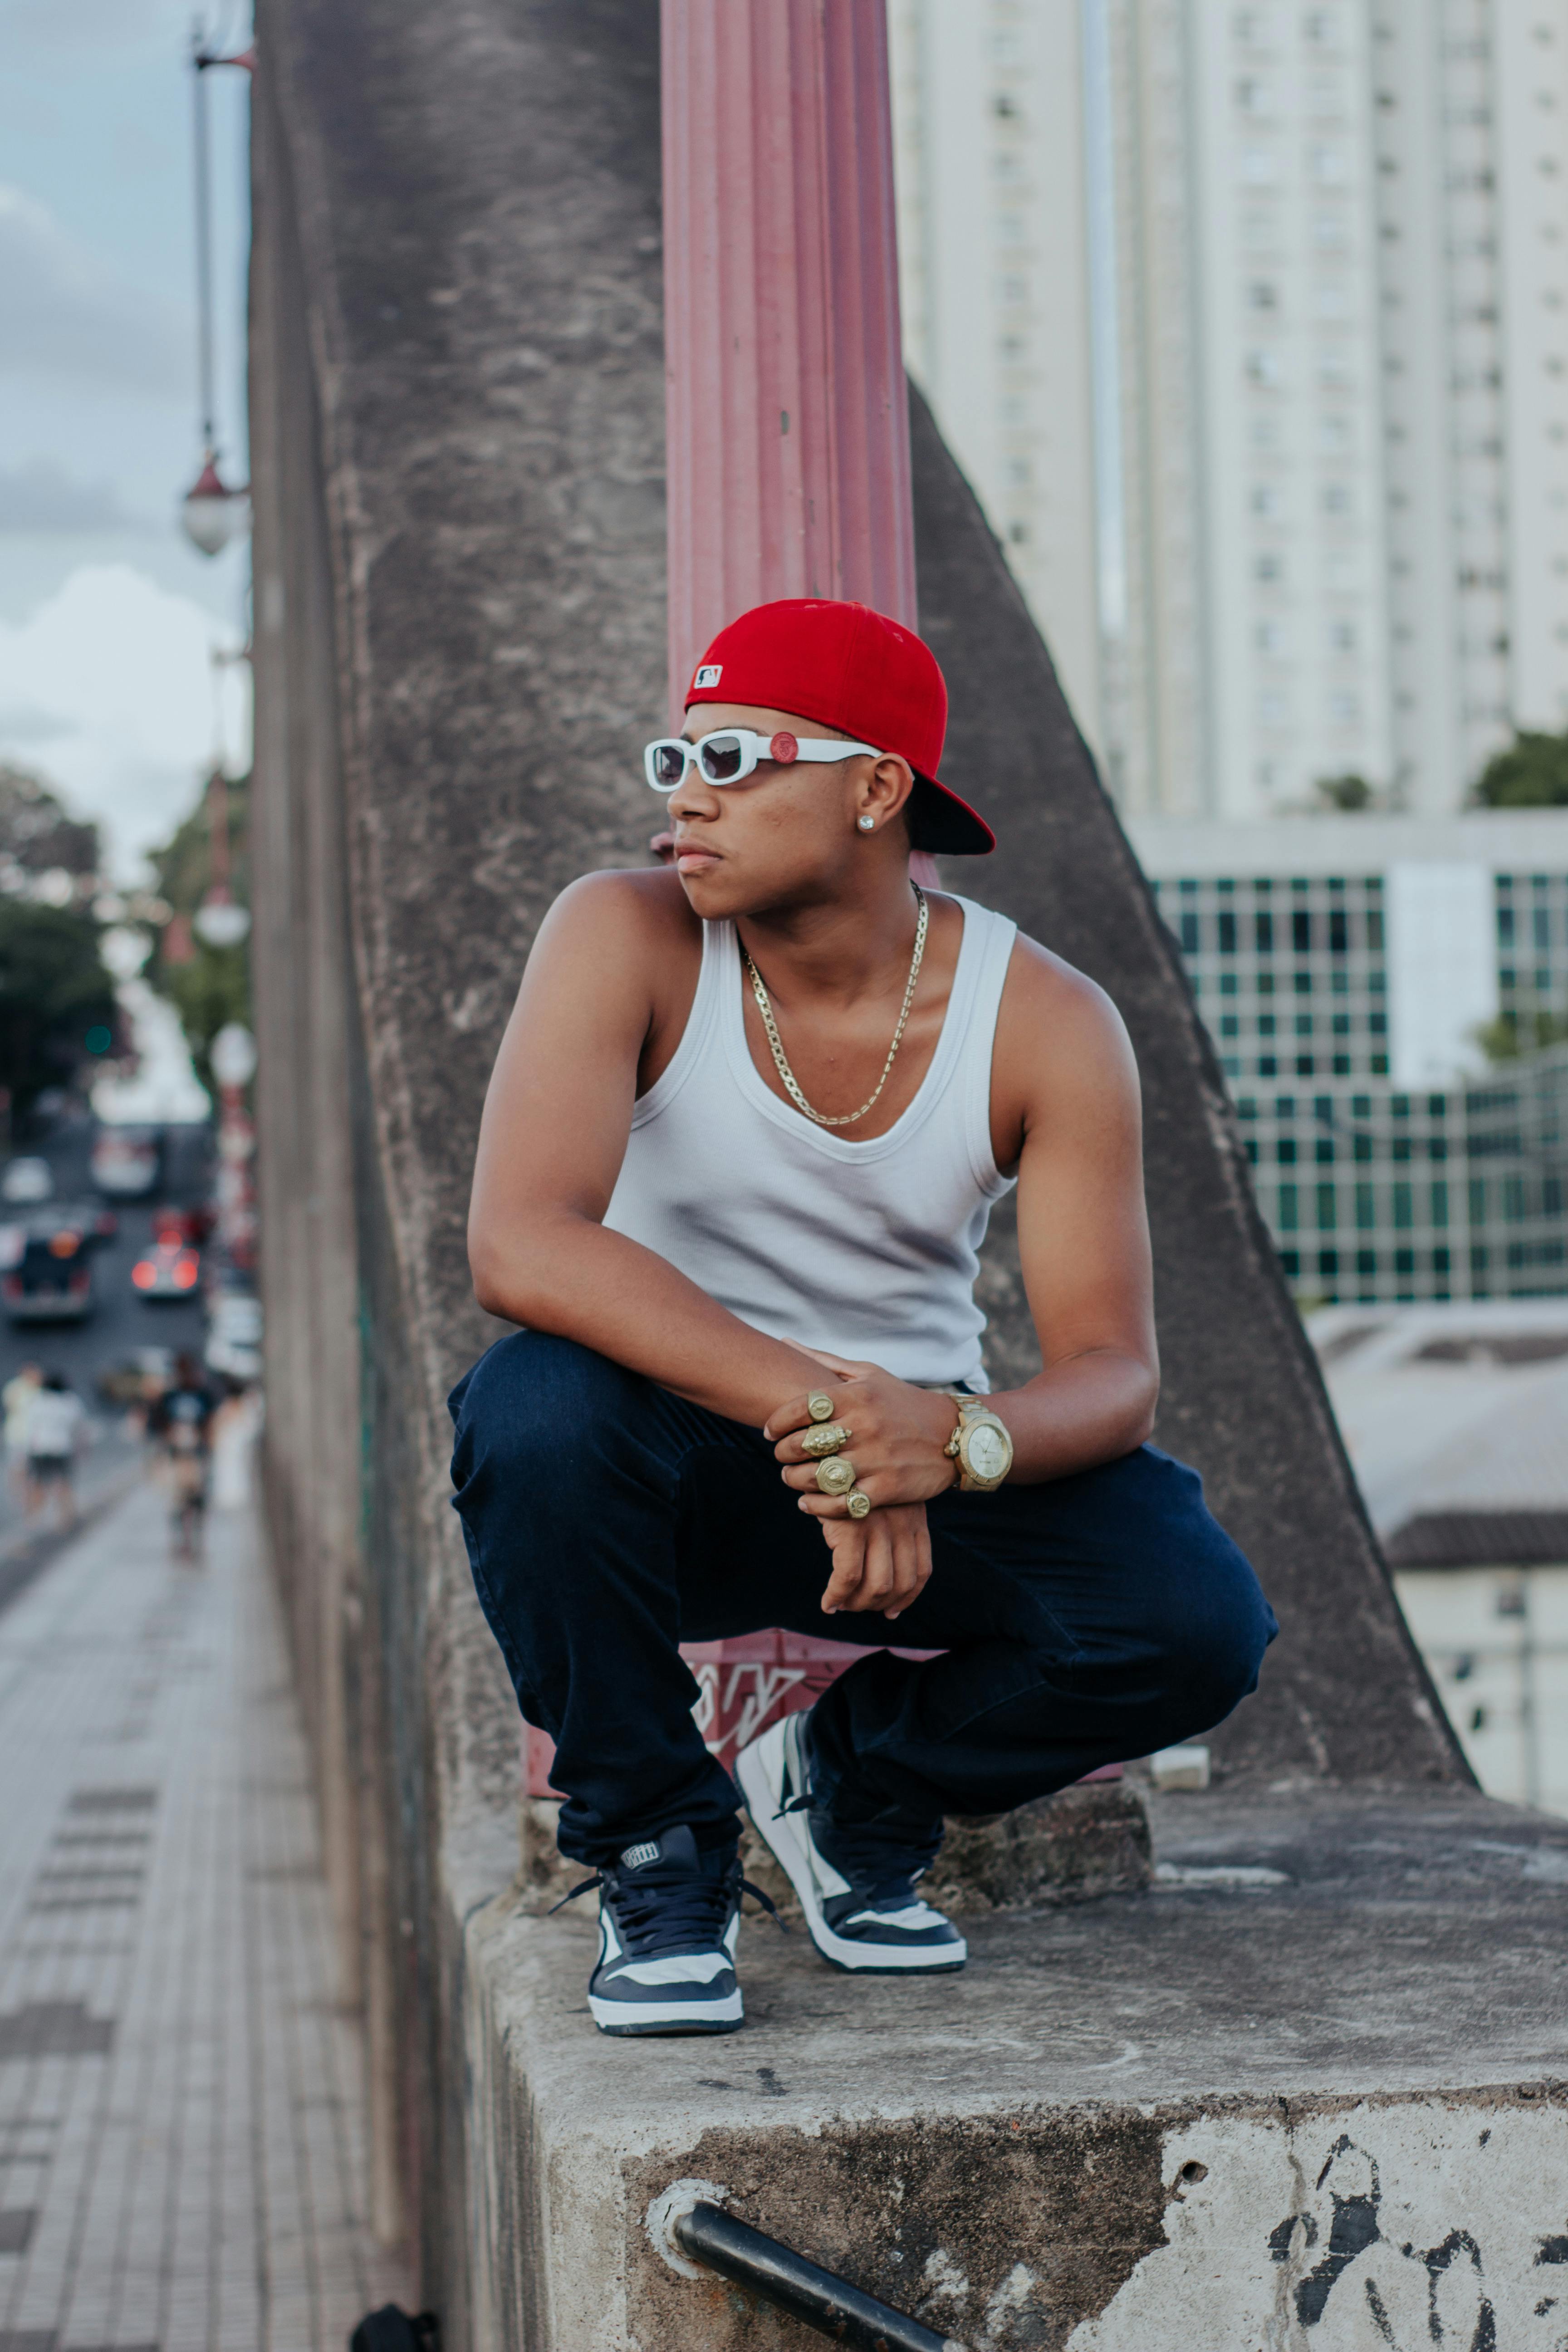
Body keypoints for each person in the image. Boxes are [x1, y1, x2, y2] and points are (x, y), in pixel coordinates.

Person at [450, 598, 1277, 2040]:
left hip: (914, 1476)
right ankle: (656, 1844)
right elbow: (522, 1244)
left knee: (1195, 1618)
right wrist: (826, 1416)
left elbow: (1112, 1371)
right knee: (530, 1412)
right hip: (678, 1475)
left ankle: (852, 1787)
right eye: (675, 756)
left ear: (877, 789)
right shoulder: (623, 934)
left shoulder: (1045, 1019)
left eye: (737, 756)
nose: (686, 796)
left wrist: (947, 1443)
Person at [147, 1353, 215, 1560]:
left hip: (197, 1456)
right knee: (178, 1503)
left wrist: (203, 1440)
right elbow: (156, 1424)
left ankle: (194, 1540)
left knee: (197, 1501)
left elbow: (211, 1422)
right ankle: (182, 1541)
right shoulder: (169, 1397)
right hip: (176, 1457)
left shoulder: (203, 1395)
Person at [24, 1370, 87, 1533]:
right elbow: (78, 1427)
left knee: (38, 1483)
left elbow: (30, 1427)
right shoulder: (71, 1402)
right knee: (64, 1483)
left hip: (40, 1447)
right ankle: (66, 1516)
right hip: (62, 1447)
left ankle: (35, 1517)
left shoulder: (37, 1401)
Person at [3, 1361, 42, 1507]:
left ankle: (29, 1495)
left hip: (33, 1436)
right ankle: (18, 1494)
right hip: (17, 1435)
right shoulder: (15, 1387)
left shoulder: (38, 1388)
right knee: (17, 1466)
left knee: (31, 1468)